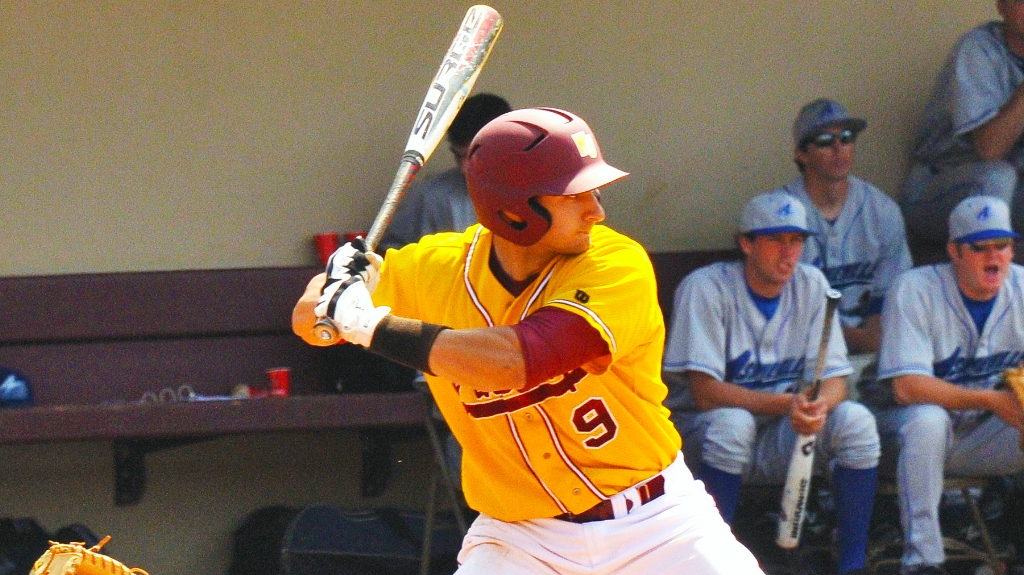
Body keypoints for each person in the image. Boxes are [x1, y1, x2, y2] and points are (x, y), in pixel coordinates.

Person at [293, 108, 765, 574]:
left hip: (654, 524)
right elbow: (309, 322)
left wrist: (366, 324)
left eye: (595, 191)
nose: (596, 211)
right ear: (515, 209)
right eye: (575, 195)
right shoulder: (432, 269)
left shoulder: (616, 264)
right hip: (522, 541)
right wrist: (334, 286)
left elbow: (519, 361)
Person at [662, 191, 880, 575]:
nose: (788, 252)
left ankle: (852, 565)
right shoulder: (706, 287)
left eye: (796, 240)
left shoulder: (812, 284)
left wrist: (818, 407)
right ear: (747, 243)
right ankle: (712, 563)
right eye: (776, 240)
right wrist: (789, 405)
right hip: (700, 437)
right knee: (733, 424)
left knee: (856, 422)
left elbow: (836, 381)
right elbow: (706, 393)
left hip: (781, 433)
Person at [869, 195, 1024, 575]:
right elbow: (906, 387)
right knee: (927, 420)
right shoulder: (915, 288)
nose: (994, 257)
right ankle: (923, 560)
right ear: (954, 251)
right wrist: (991, 400)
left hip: (980, 437)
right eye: (980, 247)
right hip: (897, 440)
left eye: (1001, 245)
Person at [379, 92, 512, 492]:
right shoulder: (437, 197)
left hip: (524, 338)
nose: (469, 168)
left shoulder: (546, 189)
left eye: (478, 155)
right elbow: (393, 274)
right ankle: (481, 509)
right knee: (470, 416)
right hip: (456, 343)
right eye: (459, 157)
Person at [773, 98, 912, 354]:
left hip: (872, 349)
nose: (839, 148)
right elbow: (782, 311)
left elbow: (892, 297)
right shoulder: (778, 216)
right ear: (802, 154)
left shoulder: (883, 210)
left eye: (846, 138)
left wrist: (875, 342)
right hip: (799, 351)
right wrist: (863, 341)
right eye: (825, 141)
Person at [900, 1, 1024, 251]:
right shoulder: (979, 49)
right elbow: (990, 149)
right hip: (936, 188)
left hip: (1009, 190)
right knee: (997, 176)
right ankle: (988, 286)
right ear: (1001, 5)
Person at [379, 93, 512, 251]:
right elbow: (387, 258)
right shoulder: (429, 197)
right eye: (458, 156)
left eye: (475, 155)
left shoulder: (540, 192)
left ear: (507, 146)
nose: (464, 168)